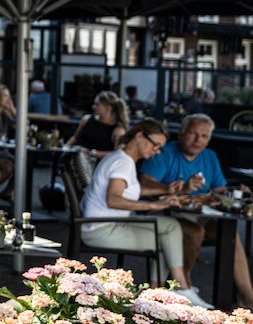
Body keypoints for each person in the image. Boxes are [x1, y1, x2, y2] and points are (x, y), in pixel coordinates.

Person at [80, 119, 212, 308]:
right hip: (101, 229)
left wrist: (166, 189)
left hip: (103, 223)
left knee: (171, 226)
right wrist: (156, 205)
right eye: (155, 145)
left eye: (160, 148)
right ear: (140, 135)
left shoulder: (121, 158)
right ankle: (167, 292)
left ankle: (163, 292)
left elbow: (132, 190)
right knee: (168, 241)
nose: (156, 151)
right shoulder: (123, 163)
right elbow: (114, 199)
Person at [139, 113, 253, 306]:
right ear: (182, 134)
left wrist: (236, 192)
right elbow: (144, 184)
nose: (198, 140)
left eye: (204, 136)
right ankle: (183, 287)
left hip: (200, 214)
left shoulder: (210, 156)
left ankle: (248, 298)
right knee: (194, 232)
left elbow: (219, 191)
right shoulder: (164, 152)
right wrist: (176, 189)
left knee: (230, 234)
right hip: (165, 212)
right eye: (193, 134)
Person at [63, 90, 128, 157]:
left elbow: (118, 153)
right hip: (76, 158)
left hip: (99, 164)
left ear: (108, 108)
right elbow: (75, 138)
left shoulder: (118, 130)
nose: (93, 107)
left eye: (97, 104)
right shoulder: (86, 119)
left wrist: (93, 153)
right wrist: (64, 149)